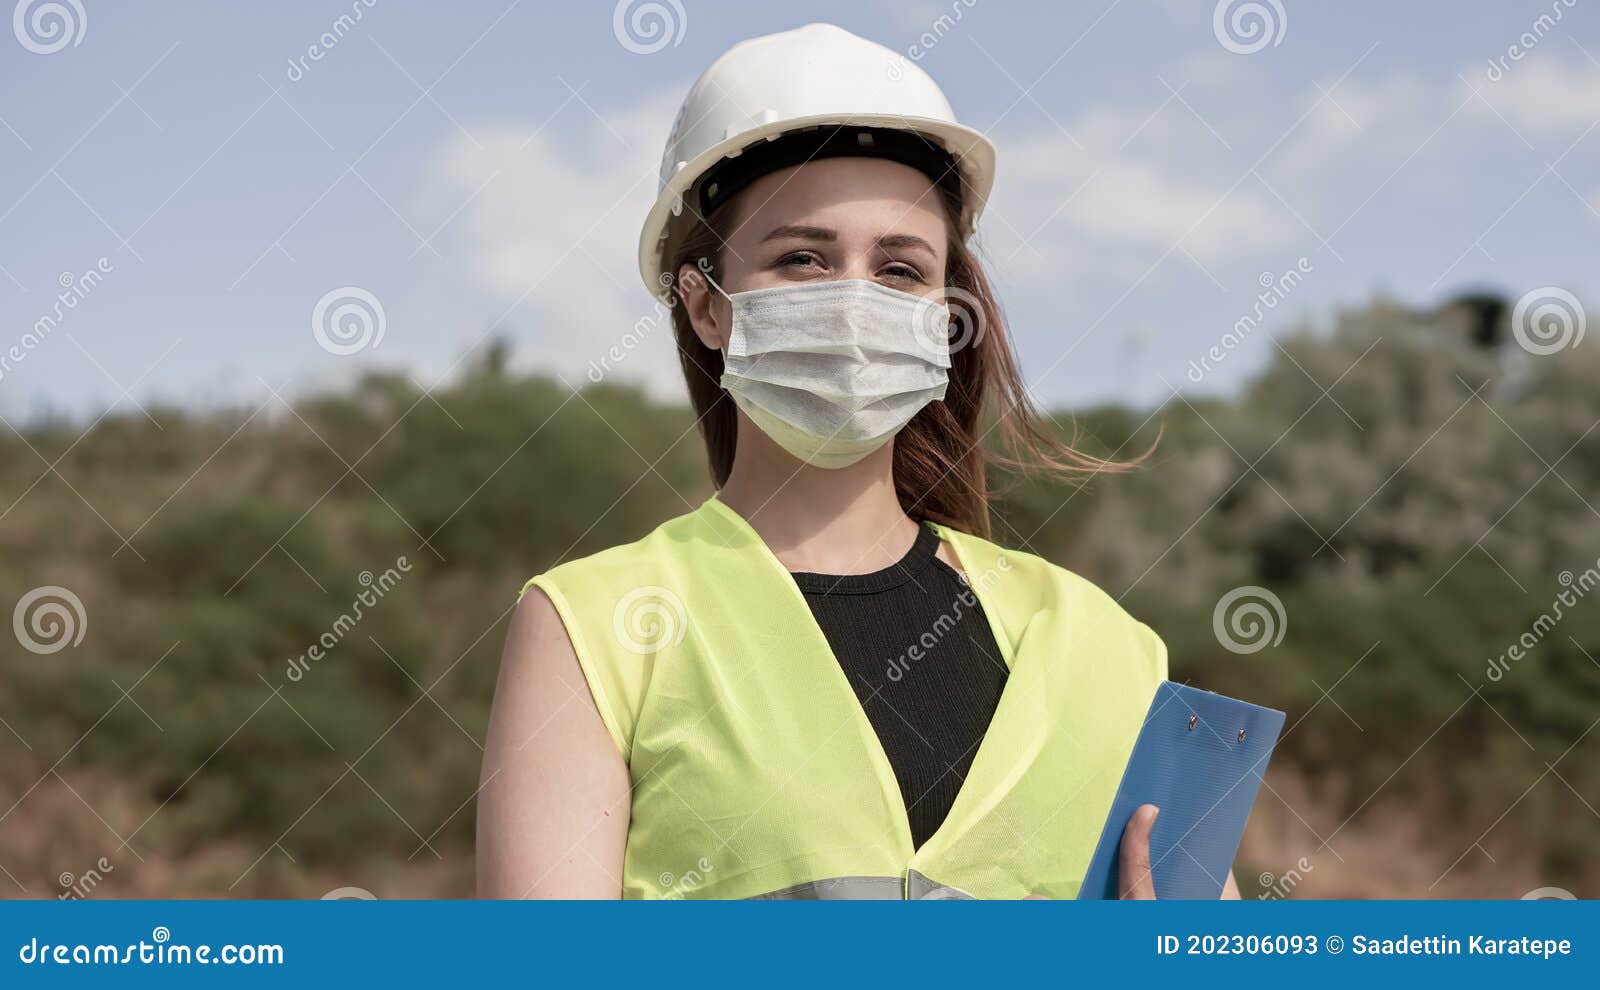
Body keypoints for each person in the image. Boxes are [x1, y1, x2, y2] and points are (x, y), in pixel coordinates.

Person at [477, 22, 1238, 900]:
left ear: (946, 316)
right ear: (705, 306)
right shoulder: (593, 628)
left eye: (900, 270)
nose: (853, 299)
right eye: (802, 258)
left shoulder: (1104, 644)